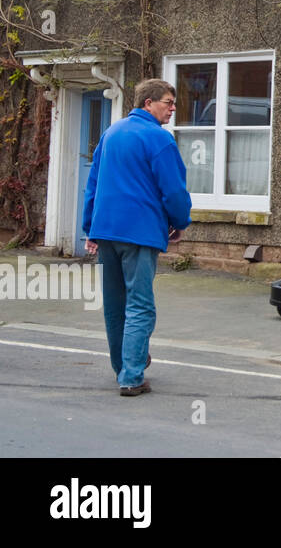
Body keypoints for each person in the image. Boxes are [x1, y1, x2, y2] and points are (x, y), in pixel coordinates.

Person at [83, 78, 191, 397]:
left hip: (107, 230)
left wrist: (90, 227)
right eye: (168, 102)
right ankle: (131, 375)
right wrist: (179, 222)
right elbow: (173, 190)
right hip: (140, 232)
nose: (173, 108)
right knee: (141, 304)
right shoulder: (158, 139)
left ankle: (124, 366)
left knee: (115, 304)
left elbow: (93, 183)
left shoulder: (110, 133)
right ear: (149, 103)